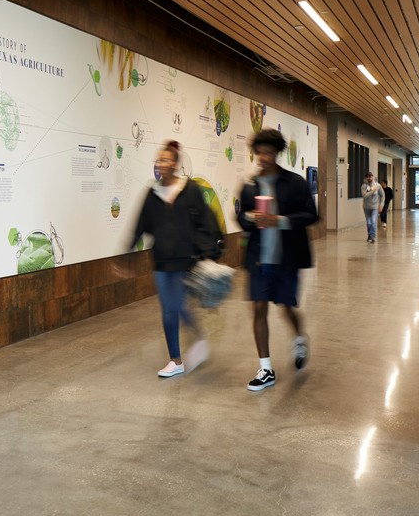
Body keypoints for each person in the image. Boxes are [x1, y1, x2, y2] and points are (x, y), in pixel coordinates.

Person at [236, 128, 319, 392]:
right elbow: (240, 218)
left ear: (277, 153)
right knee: (259, 309)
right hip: (258, 259)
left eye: (269, 152)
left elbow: (311, 215)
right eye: (260, 152)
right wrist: (250, 218)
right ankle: (265, 368)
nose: (263, 157)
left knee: (285, 306)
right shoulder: (249, 187)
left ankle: (299, 338)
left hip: (286, 259)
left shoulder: (295, 183)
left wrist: (279, 221)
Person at [127, 140, 215, 378]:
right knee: (170, 308)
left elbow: (206, 221)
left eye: (166, 160)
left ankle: (190, 347)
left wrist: (209, 252)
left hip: (187, 260)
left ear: (176, 164)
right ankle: (177, 358)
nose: (161, 164)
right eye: (159, 160)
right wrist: (128, 248)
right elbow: (141, 223)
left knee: (174, 307)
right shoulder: (152, 193)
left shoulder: (191, 190)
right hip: (162, 260)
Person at [361, 172, 385, 243]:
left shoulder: (378, 186)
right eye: (367, 177)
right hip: (366, 207)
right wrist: (373, 191)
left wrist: (381, 205)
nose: (369, 178)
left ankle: (372, 236)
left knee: (373, 221)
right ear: (366, 178)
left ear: (373, 177)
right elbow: (364, 196)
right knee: (369, 222)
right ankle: (370, 235)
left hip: (375, 207)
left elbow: (382, 196)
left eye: (370, 176)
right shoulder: (364, 186)